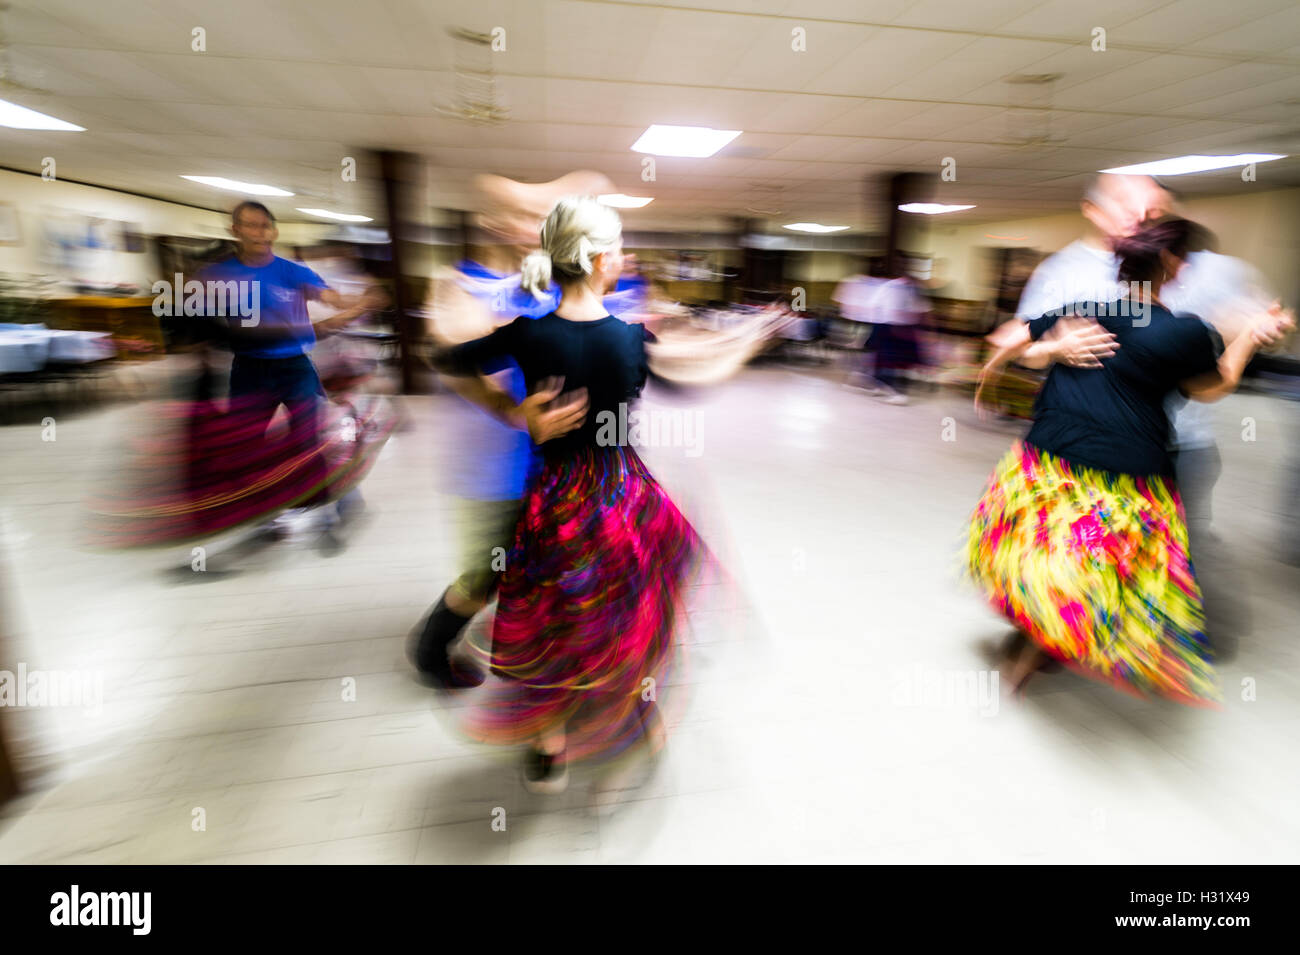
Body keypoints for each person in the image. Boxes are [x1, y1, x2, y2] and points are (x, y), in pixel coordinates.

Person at [432, 196, 702, 794]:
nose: (627, 257)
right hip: (618, 500)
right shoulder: (631, 340)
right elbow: (681, 384)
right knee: (618, 613)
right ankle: (625, 714)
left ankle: (547, 740)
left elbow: (446, 357)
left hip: (552, 504)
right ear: (603, 258)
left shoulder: (528, 335)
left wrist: (512, 410)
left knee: (556, 619)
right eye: (623, 246)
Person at [966, 217, 1293, 704]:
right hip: (1116, 479)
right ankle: (1044, 641)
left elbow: (1015, 346)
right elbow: (1212, 387)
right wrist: (1251, 334)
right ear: (1172, 265)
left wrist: (1048, 349)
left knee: (1049, 561)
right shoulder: (1182, 333)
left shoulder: (1083, 309)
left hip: (1041, 463)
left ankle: (1039, 637)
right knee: (1089, 570)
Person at [407, 171, 617, 689]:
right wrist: (510, 409)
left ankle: (548, 665)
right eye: (521, 215)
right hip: (487, 472)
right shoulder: (456, 283)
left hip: (548, 468)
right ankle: (430, 650)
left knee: (549, 569)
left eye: (542, 219)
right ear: (492, 223)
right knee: (486, 576)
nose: (532, 229)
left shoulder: (547, 288)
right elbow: (449, 357)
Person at [197, 202, 388, 553]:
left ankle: (333, 513)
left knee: (311, 441)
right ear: (234, 230)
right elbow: (234, 325)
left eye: (264, 226)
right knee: (247, 446)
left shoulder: (291, 271)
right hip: (249, 370)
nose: (259, 233)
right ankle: (264, 519)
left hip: (295, 367)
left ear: (274, 231)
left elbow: (331, 297)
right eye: (250, 226)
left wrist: (358, 302)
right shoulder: (221, 274)